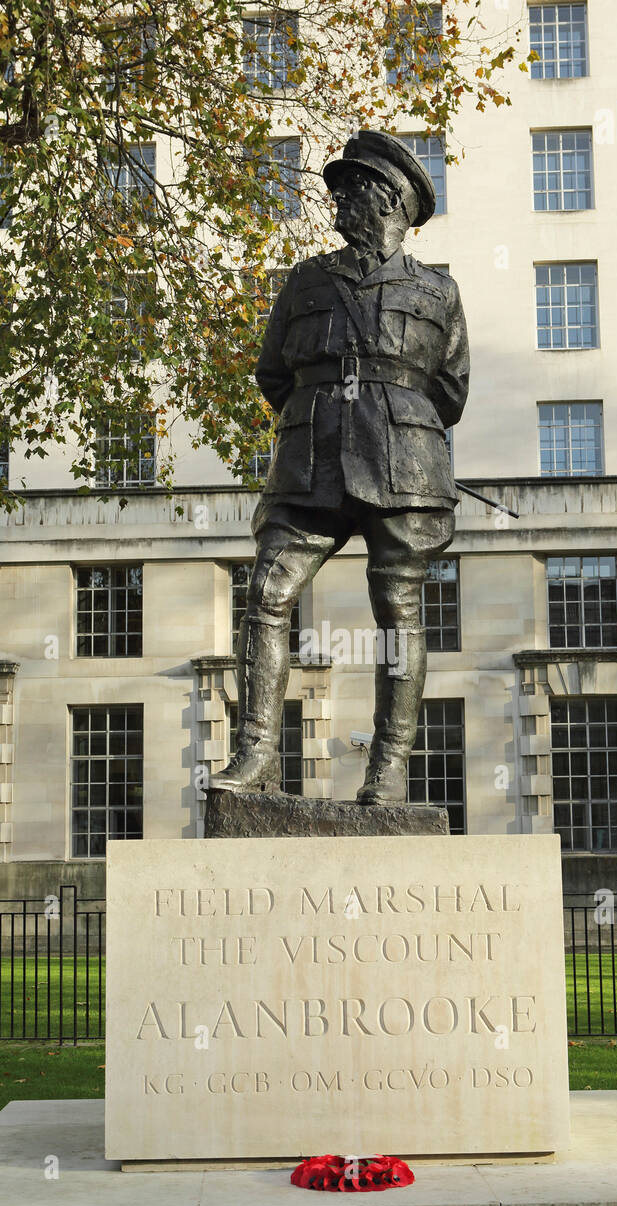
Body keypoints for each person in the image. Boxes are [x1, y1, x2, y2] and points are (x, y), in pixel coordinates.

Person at [209, 129, 469, 804]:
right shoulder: (306, 280)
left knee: (400, 611)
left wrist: (389, 411)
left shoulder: (439, 291)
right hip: (312, 459)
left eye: (350, 188)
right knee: (268, 594)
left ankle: (388, 769)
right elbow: (273, 375)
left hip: (404, 465)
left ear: (389, 199)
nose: (336, 200)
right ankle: (256, 753)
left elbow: (451, 391)